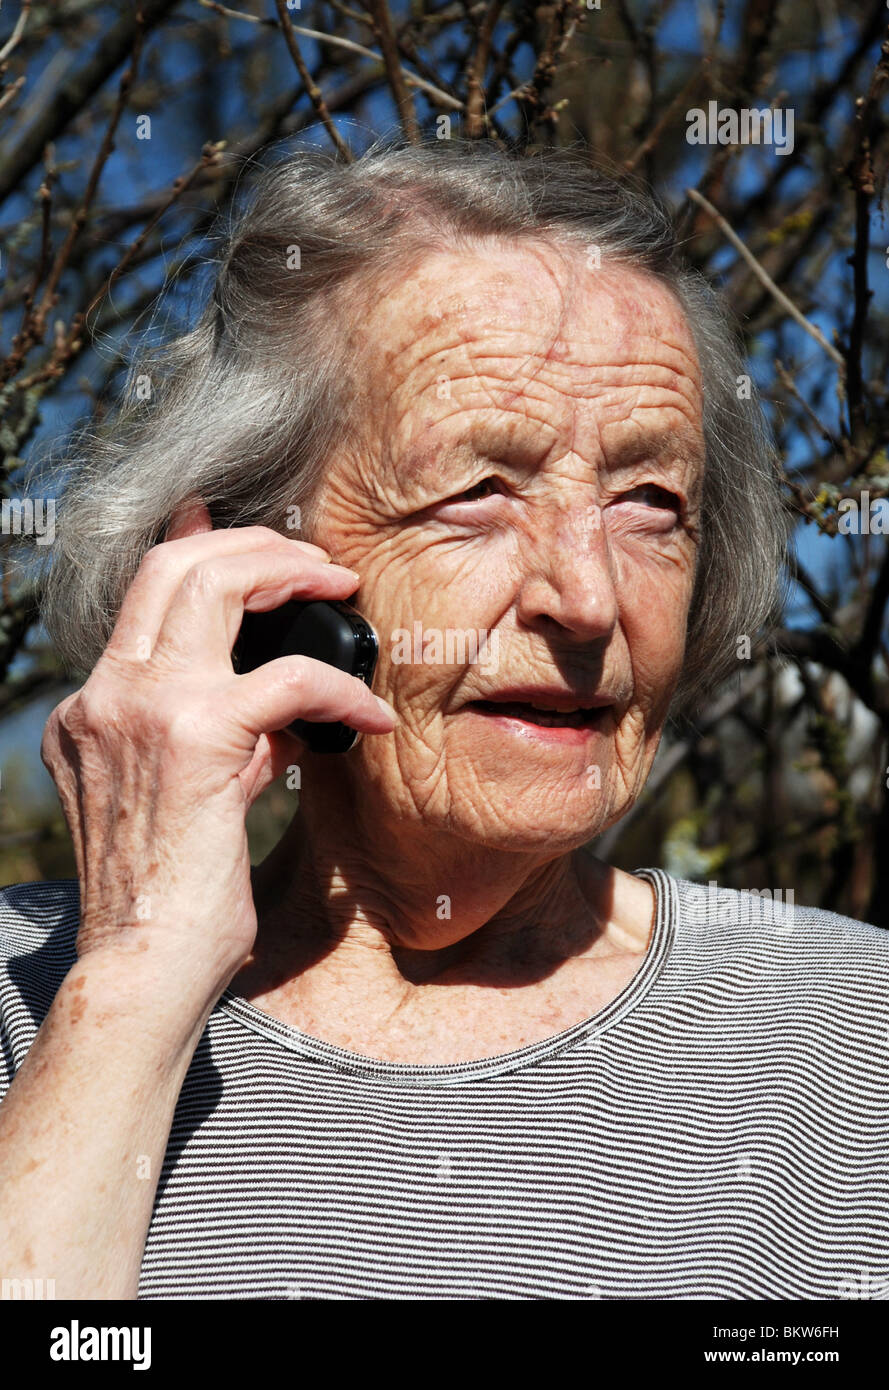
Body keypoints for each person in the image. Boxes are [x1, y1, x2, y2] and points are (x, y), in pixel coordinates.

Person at [1, 136, 886, 1301]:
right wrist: (131, 987)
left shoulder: (843, 1030)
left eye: (650, 503)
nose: (586, 596)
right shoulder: (33, 997)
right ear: (237, 567)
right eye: (477, 492)